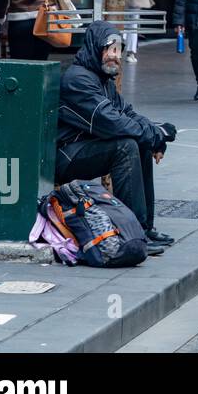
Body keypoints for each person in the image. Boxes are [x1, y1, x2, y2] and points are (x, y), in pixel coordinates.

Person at [55, 22, 177, 253]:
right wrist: (153, 134)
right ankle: (131, 232)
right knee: (126, 146)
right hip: (65, 154)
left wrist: (155, 135)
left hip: (85, 147)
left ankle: (143, 228)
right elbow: (110, 122)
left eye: (119, 50)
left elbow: (128, 114)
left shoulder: (102, 80)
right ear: (94, 48)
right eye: (110, 49)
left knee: (138, 142)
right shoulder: (78, 80)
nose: (116, 56)